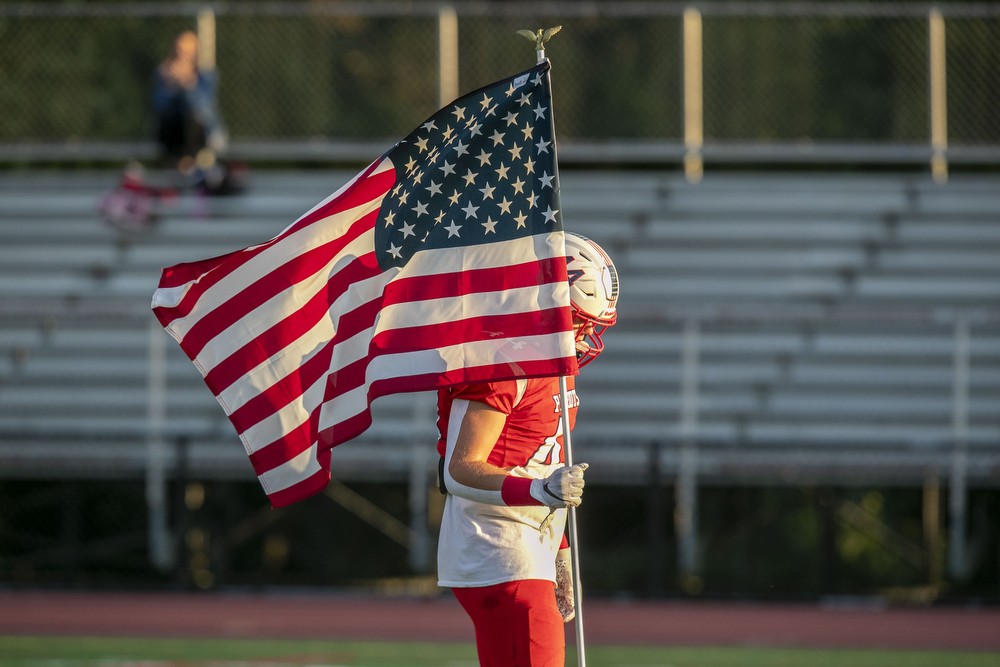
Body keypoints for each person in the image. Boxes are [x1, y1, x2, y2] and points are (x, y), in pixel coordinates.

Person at [435, 232, 620, 667]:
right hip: (497, 548)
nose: (586, 333)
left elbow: (546, 464)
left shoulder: (553, 364)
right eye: (578, 320)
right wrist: (539, 493)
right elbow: (459, 470)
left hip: (529, 547)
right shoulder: (505, 363)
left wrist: (561, 552)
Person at [152, 30, 226, 164]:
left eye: (188, 52)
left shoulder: (206, 74)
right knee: (169, 118)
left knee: (192, 117)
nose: (183, 56)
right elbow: (157, 107)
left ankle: (186, 163)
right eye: (179, 51)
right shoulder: (163, 73)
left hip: (199, 134)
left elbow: (205, 111)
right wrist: (170, 85)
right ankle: (181, 164)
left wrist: (188, 84)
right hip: (172, 133)